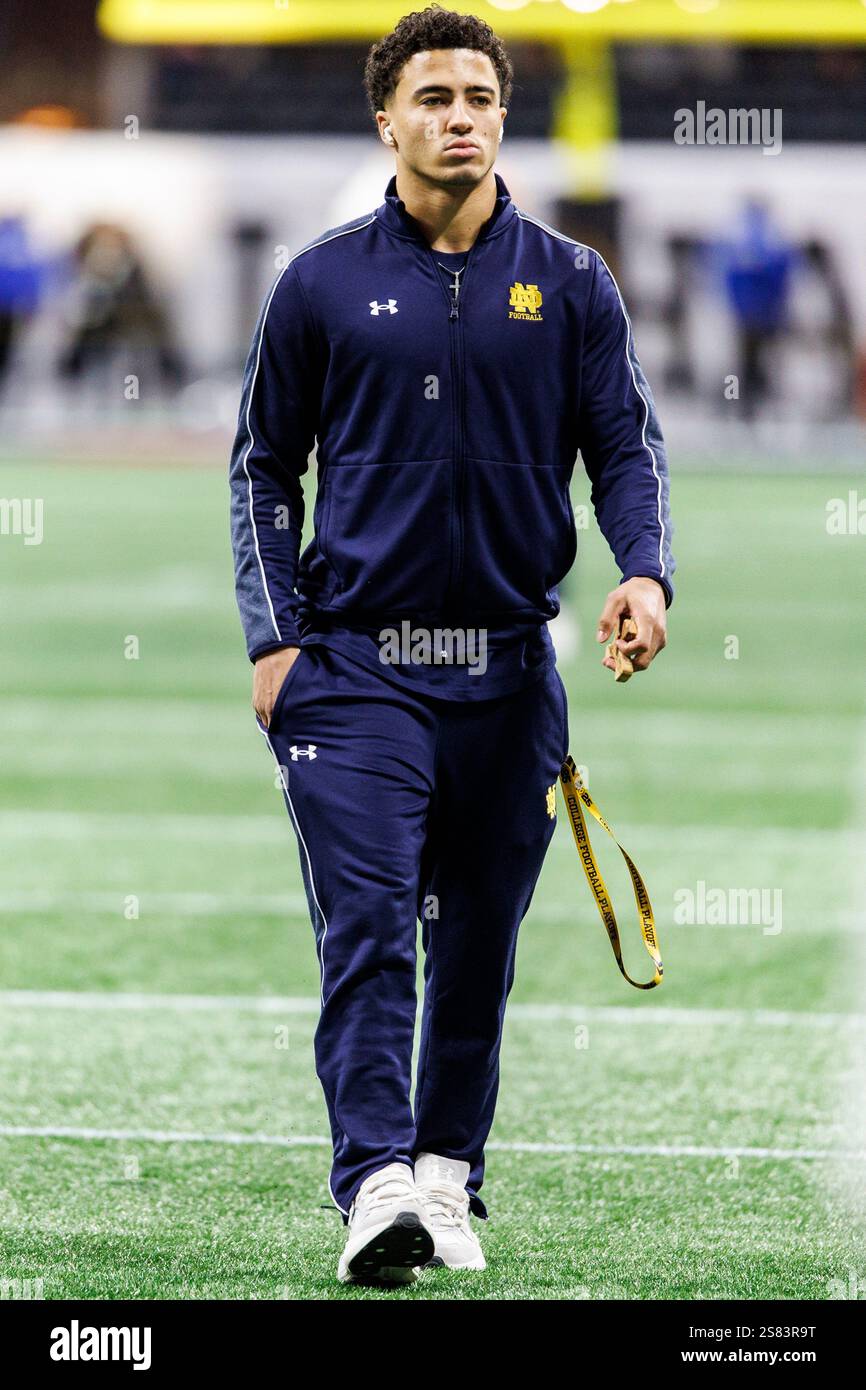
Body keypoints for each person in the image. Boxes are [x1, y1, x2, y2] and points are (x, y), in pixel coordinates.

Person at [229, 4, 674, 1287]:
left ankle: (443, 1176)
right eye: (433, 97)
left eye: (478, 95)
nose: (459, 116)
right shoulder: (316, 280)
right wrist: (274, 641)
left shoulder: (573, 280)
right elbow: (261, 466)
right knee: (368, 928)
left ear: (501, 113)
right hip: (355, 670)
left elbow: (625, 449)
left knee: (475, 943)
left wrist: (642, 572)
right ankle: (374, 1184)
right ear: (388, 119)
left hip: (508, 672)